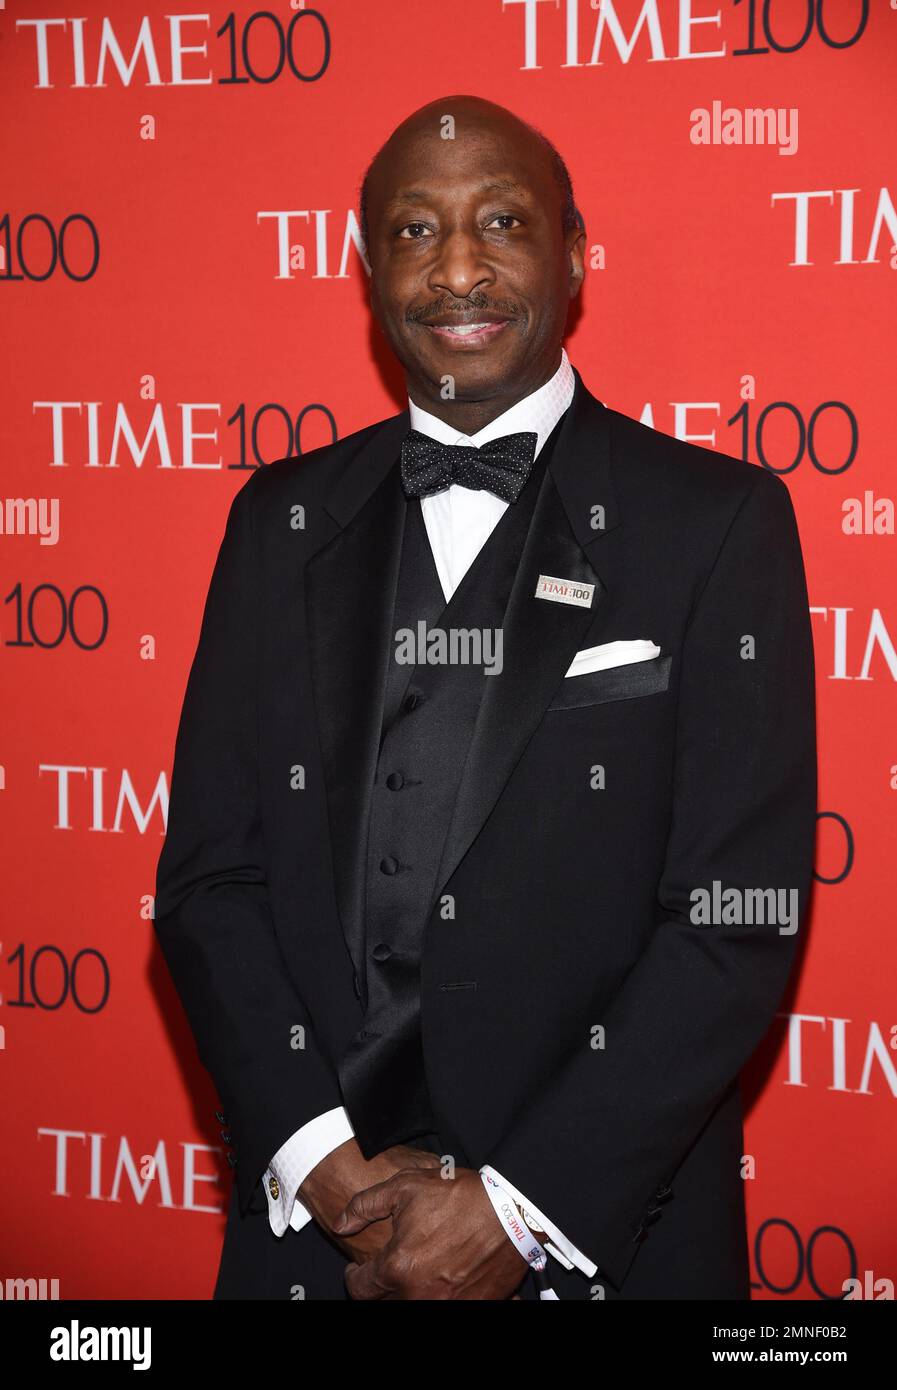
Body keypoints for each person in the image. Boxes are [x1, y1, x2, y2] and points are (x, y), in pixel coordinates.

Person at [154, 94, 817, 1300]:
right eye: (414, 232)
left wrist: (518, 1208)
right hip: (313, 1240)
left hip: (602, 1240)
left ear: (575, 253)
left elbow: (735, 916)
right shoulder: (276, 522)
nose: (457, 270)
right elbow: (210, 880)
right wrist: (321, 1162)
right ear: (369, 272)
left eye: (502, 222)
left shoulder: (717, 524)